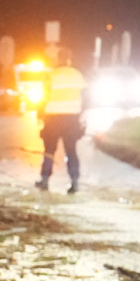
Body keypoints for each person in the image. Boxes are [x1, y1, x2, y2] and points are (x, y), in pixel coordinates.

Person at [35, 49, 88, 194]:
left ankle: (45, 180)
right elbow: (86, 97)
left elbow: (43, 97)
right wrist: (82, 116)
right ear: (69, 60)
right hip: (71, 119)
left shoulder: (51, 75)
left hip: (53, 119)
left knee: (49, 151)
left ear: (58, 59)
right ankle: (74, 182)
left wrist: (39, 114)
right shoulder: (77, 75)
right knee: (71, 151)